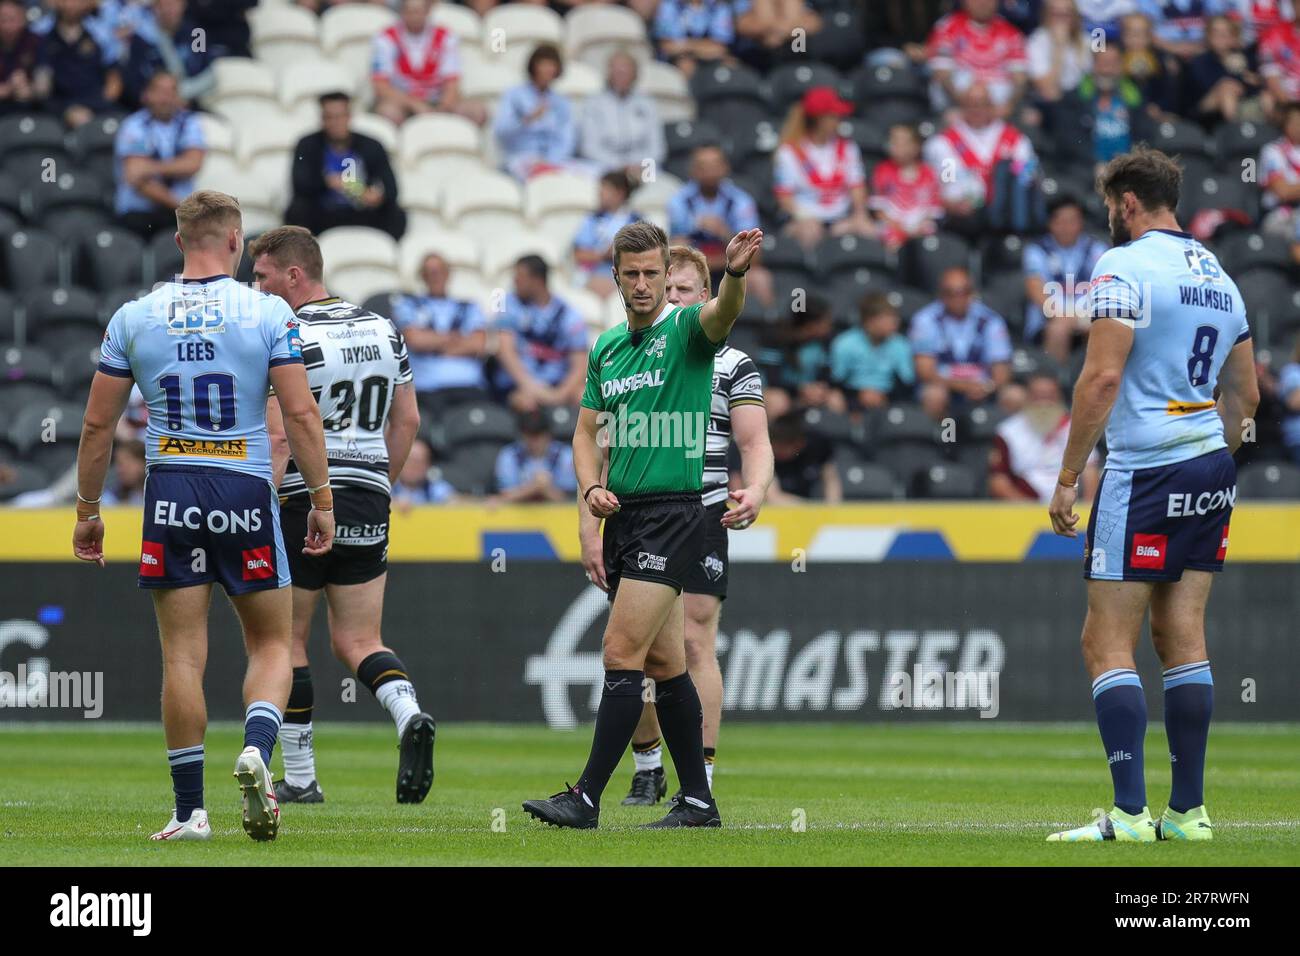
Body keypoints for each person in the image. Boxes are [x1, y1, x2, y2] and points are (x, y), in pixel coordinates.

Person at [72, 190, 334, 843]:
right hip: (244, 486)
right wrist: (322, 500)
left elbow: (98, 424)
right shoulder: (268, 310)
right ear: (236, 240)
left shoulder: (135, 316)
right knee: (272, 643)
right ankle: (256, 748)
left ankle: (189, 812)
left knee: (183, 658)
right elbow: (300, 414)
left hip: (171, 490)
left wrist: (88, 509)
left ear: (180, 239)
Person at [1046, 146, 1259, 843]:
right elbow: (1247, 395)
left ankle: (1132, 815)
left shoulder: (1122, 266)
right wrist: (1211, 459)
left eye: (1111, 206)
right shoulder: (1221, 276)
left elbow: (1101, 380)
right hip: (1208, 465)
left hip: (1144, 467)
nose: (1110, 217)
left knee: (1106, 641)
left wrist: (1069, 474)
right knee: (1182, 637)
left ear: (1127, 203)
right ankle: (1189, 814)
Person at [521, 220, 763, 830]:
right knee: (665, 663)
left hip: (675, 515)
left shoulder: (686, 330)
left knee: (619, 651)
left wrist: (732, 274)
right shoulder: (606, 348)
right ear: (616, 278)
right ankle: (699, 801)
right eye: (632, 274)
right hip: (625, 516)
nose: (644, 284)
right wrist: (592, 488)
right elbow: (585, 432)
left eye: (653, 273)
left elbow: (722, 314)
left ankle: (586, 797)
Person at [250, 225, 435, 806]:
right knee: (359, 638)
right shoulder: (384, 329)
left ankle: (301, 777)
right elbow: (407, 421)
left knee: (287, 640)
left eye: (262, 277)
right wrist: (382, 482)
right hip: (370, 494)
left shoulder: (287, 332)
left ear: (294, 275)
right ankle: (408, 714)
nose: (256, 288)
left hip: (306, 494)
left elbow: (282, 435)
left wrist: (266, 500)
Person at [591, 245, 773, 807]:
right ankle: (655, 768)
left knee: (693, 640)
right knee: (651, 653)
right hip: (638, 513)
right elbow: (603, 445)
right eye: (659, 287)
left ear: (703, 296)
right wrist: (586, 522)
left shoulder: (729, 360)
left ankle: (701, 779)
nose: (668, 297)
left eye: (681, 290)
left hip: (704, 510)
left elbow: (754, 441)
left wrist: (758, 488)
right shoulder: (628, 352)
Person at [285, 91, 406, 240]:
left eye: (340, 116)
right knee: (298, 210)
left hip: (363, 214)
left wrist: (377, 196)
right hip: (323, 214)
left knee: (396, 214)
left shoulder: (372, 145)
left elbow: (391, 189)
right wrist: (328, 182)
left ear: (349, 117)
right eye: (329, 117)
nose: (335, 123)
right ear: (322, 119)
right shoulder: (307, 145)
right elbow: (299, 184)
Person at [922, 81, 1038, 235]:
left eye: (982, 104)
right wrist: (950, 204)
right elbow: (941, 182)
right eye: (971, 104)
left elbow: (1028, 175)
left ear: (992, 106)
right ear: (962, 107)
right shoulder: (943, 144)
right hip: (960, 218)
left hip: (1004, 217)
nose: (977, 110)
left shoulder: (1015, 140)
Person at [774, 86, 874, 249]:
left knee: (869, 230)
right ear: (820, 119)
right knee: (810, 233)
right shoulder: (789, 152)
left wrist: (860, 214)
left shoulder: (847, 147)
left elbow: (857, 186)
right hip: (805, 218)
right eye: (834, 117)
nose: (839, 121)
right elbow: (785, 198)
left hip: (841, 216)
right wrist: (806, 218)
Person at [390, 252, 489, 409]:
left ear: (448, 274)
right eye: (429, 272)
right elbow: (415, 340)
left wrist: (433, 344)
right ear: (422, 276)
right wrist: (458, 339)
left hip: (469, 386)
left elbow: (478, 344)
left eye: (439, 271)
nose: (435, 276)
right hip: (427, 389)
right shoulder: (407, 304)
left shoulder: (469, 306)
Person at [114, 70, 206, 238]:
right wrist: (181, 206)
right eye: (160, 91)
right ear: (146, 95)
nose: (166, 98)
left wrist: (150, 167)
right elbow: (136, 177)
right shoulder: (133, 125)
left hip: (181, 216)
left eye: (171, 92)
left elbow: (193, 163)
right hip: (138, 213)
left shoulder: (190, 123)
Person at [667, 144, 768, 297]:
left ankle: (769, 318)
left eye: (715, 165)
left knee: (760, 278)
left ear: (726, 167)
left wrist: (724, 231)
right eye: (702, 166)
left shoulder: (741, 201)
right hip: (692, 269)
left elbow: (755, 255)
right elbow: (675, 250)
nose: (709, 171)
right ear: (692, 170)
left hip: (733, 266)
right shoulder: (679, 201)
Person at [491, 255, 588, 412]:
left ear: (537, 280)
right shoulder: (507, 303)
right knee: (526, 403)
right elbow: (505, 351)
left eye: (519, 277)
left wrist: (560, 394)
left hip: (557, 385)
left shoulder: (569, 314)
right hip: (519, 385)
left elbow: (579, 365)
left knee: (585, 398)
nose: (514, 282)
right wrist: (531, 387)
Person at [910, 266, 1013, 412]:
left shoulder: (990, 320)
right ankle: (941, 434)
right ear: (941, 294)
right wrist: (963, 386)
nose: (957, 298)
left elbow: (1001, 370)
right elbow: (925, 371)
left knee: (1014, 396)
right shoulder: (925, 320)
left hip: (984, 386)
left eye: (963, 292)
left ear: (972, 293)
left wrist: (988, 387)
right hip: (944, 384)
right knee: (934, 395)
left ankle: (997, 435)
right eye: (950, 293)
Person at [988, 370, 1099, 502]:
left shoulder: (1075, 428)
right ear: (1028, 397)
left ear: (1059, 397)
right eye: (1038, 396)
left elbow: (1090, 472)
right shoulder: (1008, 432)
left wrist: (1087, 510)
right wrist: (1029, 511)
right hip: (1025, 506)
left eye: (1049, 396)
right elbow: (998, 481)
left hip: (1071, 503)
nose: (1044, 403)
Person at [1023, 195, 1109, 363]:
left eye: (1072, 221)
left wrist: (1082, 317)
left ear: (1081, 222)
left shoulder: (1097, 249)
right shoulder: (1037, 250)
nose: (1066, 227)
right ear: (1050, 223)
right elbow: (1035, 288)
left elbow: (1105, 287)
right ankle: (1057, 384)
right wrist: (1065, 317)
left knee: (1102, 329)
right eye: (1060, 221)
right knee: (1059, 329)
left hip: (1087, 316)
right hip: (1049, 320)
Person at [371, 0, 481, 126]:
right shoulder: (386, 38)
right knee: (388, 112)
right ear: (402, 12)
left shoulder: (445, 36)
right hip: (402, 102)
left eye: (418, 11)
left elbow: (452, 82)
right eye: (410, 12)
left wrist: (443, 107)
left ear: (428, 11)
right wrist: (414, 104)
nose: (414, 17)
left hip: (436, 99)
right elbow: (381, 86)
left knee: (476, 111)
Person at [925, 0, 1028, 116]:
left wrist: (1009, 104)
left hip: (999, 106)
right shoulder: (946, 28)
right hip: (957, 102)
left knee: (1029, 116)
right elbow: (942, 75)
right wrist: (969, 107)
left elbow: (1020, 79)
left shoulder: (1011, 32)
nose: (983, 3)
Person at [493, 43, 579, 181]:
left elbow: (567, 139)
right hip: (521, 158)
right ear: (534, 66)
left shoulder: (561, 102)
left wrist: (551, 161)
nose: (548, 70)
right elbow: (501, 132)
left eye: (552, 66)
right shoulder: (514, 95)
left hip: (552, 161)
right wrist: (527, 119)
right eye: (543, 65)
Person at [578, 50, 666, 177]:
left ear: (635, 74)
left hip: (641, 165)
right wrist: (619, 165)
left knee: (658, 183)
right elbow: (589, 147)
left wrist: (638, 164)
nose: (621, 76)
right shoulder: (593, 103)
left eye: (626, 72)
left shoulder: (647, 104)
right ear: (609, 73)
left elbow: (657, 147)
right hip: (606, 165)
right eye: (617, 71)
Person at [37, 0, 122, 128]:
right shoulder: (40, 32)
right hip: (56, 105)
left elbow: (114, 77)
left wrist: (100, 103)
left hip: (95, 103)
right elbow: (41, 83)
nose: (71, 4)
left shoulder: (101, 33)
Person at [830, 291, 917, 411]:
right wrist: (859, 394)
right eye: (887, 317)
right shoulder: (845, 343)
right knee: (833, 399)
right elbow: (836, 380)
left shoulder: (901, 344)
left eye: (895, 317)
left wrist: (883, 396)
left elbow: (907, 383)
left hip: (889, 398)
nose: (894, 322)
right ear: (869, 321)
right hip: (851, 397)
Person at [121, 0, 215, 109]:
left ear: (183, 5)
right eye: (163, 5)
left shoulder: (197, 34)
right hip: (153, 107)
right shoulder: (142, 38)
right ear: (155, 7)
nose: (169, 10)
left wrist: (182, 95)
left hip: (192, 102)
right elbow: (133, 81)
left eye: (174, 4)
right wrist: (161, 98)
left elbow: (208, 74)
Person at [869, 123, 943, 249]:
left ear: (917, 146)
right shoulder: (882, 171)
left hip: (921, 224)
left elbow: (934, 209)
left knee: (931, 239)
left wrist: (918, 226)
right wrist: (898, 226)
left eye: (904, 143)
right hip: (892, 223)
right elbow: (878, 208)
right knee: (889, 238)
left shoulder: (929, 173)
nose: (898, 147)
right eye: (894, 142)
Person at [573, 170, 641, 298]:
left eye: (605, 189)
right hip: (598, 275)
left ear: (619, 193)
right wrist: (604, 254)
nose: (600, 194)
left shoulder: (637, 221)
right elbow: (579, 255)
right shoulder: (592, 220)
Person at [493, 409, 577, 503]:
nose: (534, 442)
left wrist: (544, 489)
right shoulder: (509, 455)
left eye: (538, 435)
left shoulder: (565, 455)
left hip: (557, 514)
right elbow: (503, 497)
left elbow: (569, 500)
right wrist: (535, 487)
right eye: (529, 435)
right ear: (521, 434)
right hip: (518, 514)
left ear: (548, 434)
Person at [767, 410, 841, 502]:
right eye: (775, 446)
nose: (777, 451)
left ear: (799, 444)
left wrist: (832, 510)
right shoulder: (766, 454)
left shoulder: (819, 447)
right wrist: (812, 510)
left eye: (782, 447)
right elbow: (772, 497)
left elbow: (831, 479)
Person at [651, 0, 737, 76]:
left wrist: (685, 45)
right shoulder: (670, 5)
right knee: (686, 65)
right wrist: (705, 45)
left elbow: (719, 48)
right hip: (675, 60)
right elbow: (668, 47)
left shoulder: (718, 6)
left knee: (730, 64)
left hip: (709, 59)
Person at [1259, 101, 1300, 238]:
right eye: (1295, 121)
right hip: (1281, 215)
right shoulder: (1273, 151)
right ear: (1285, 123)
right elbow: (1283, 191)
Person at [0, 0, 46, 116]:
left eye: (13, 19)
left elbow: (45, 84)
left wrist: (31, 90)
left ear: (23, 18)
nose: (8, 26)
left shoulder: (37, 42)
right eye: (3, 20)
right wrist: (8, 88)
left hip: (31, 109)